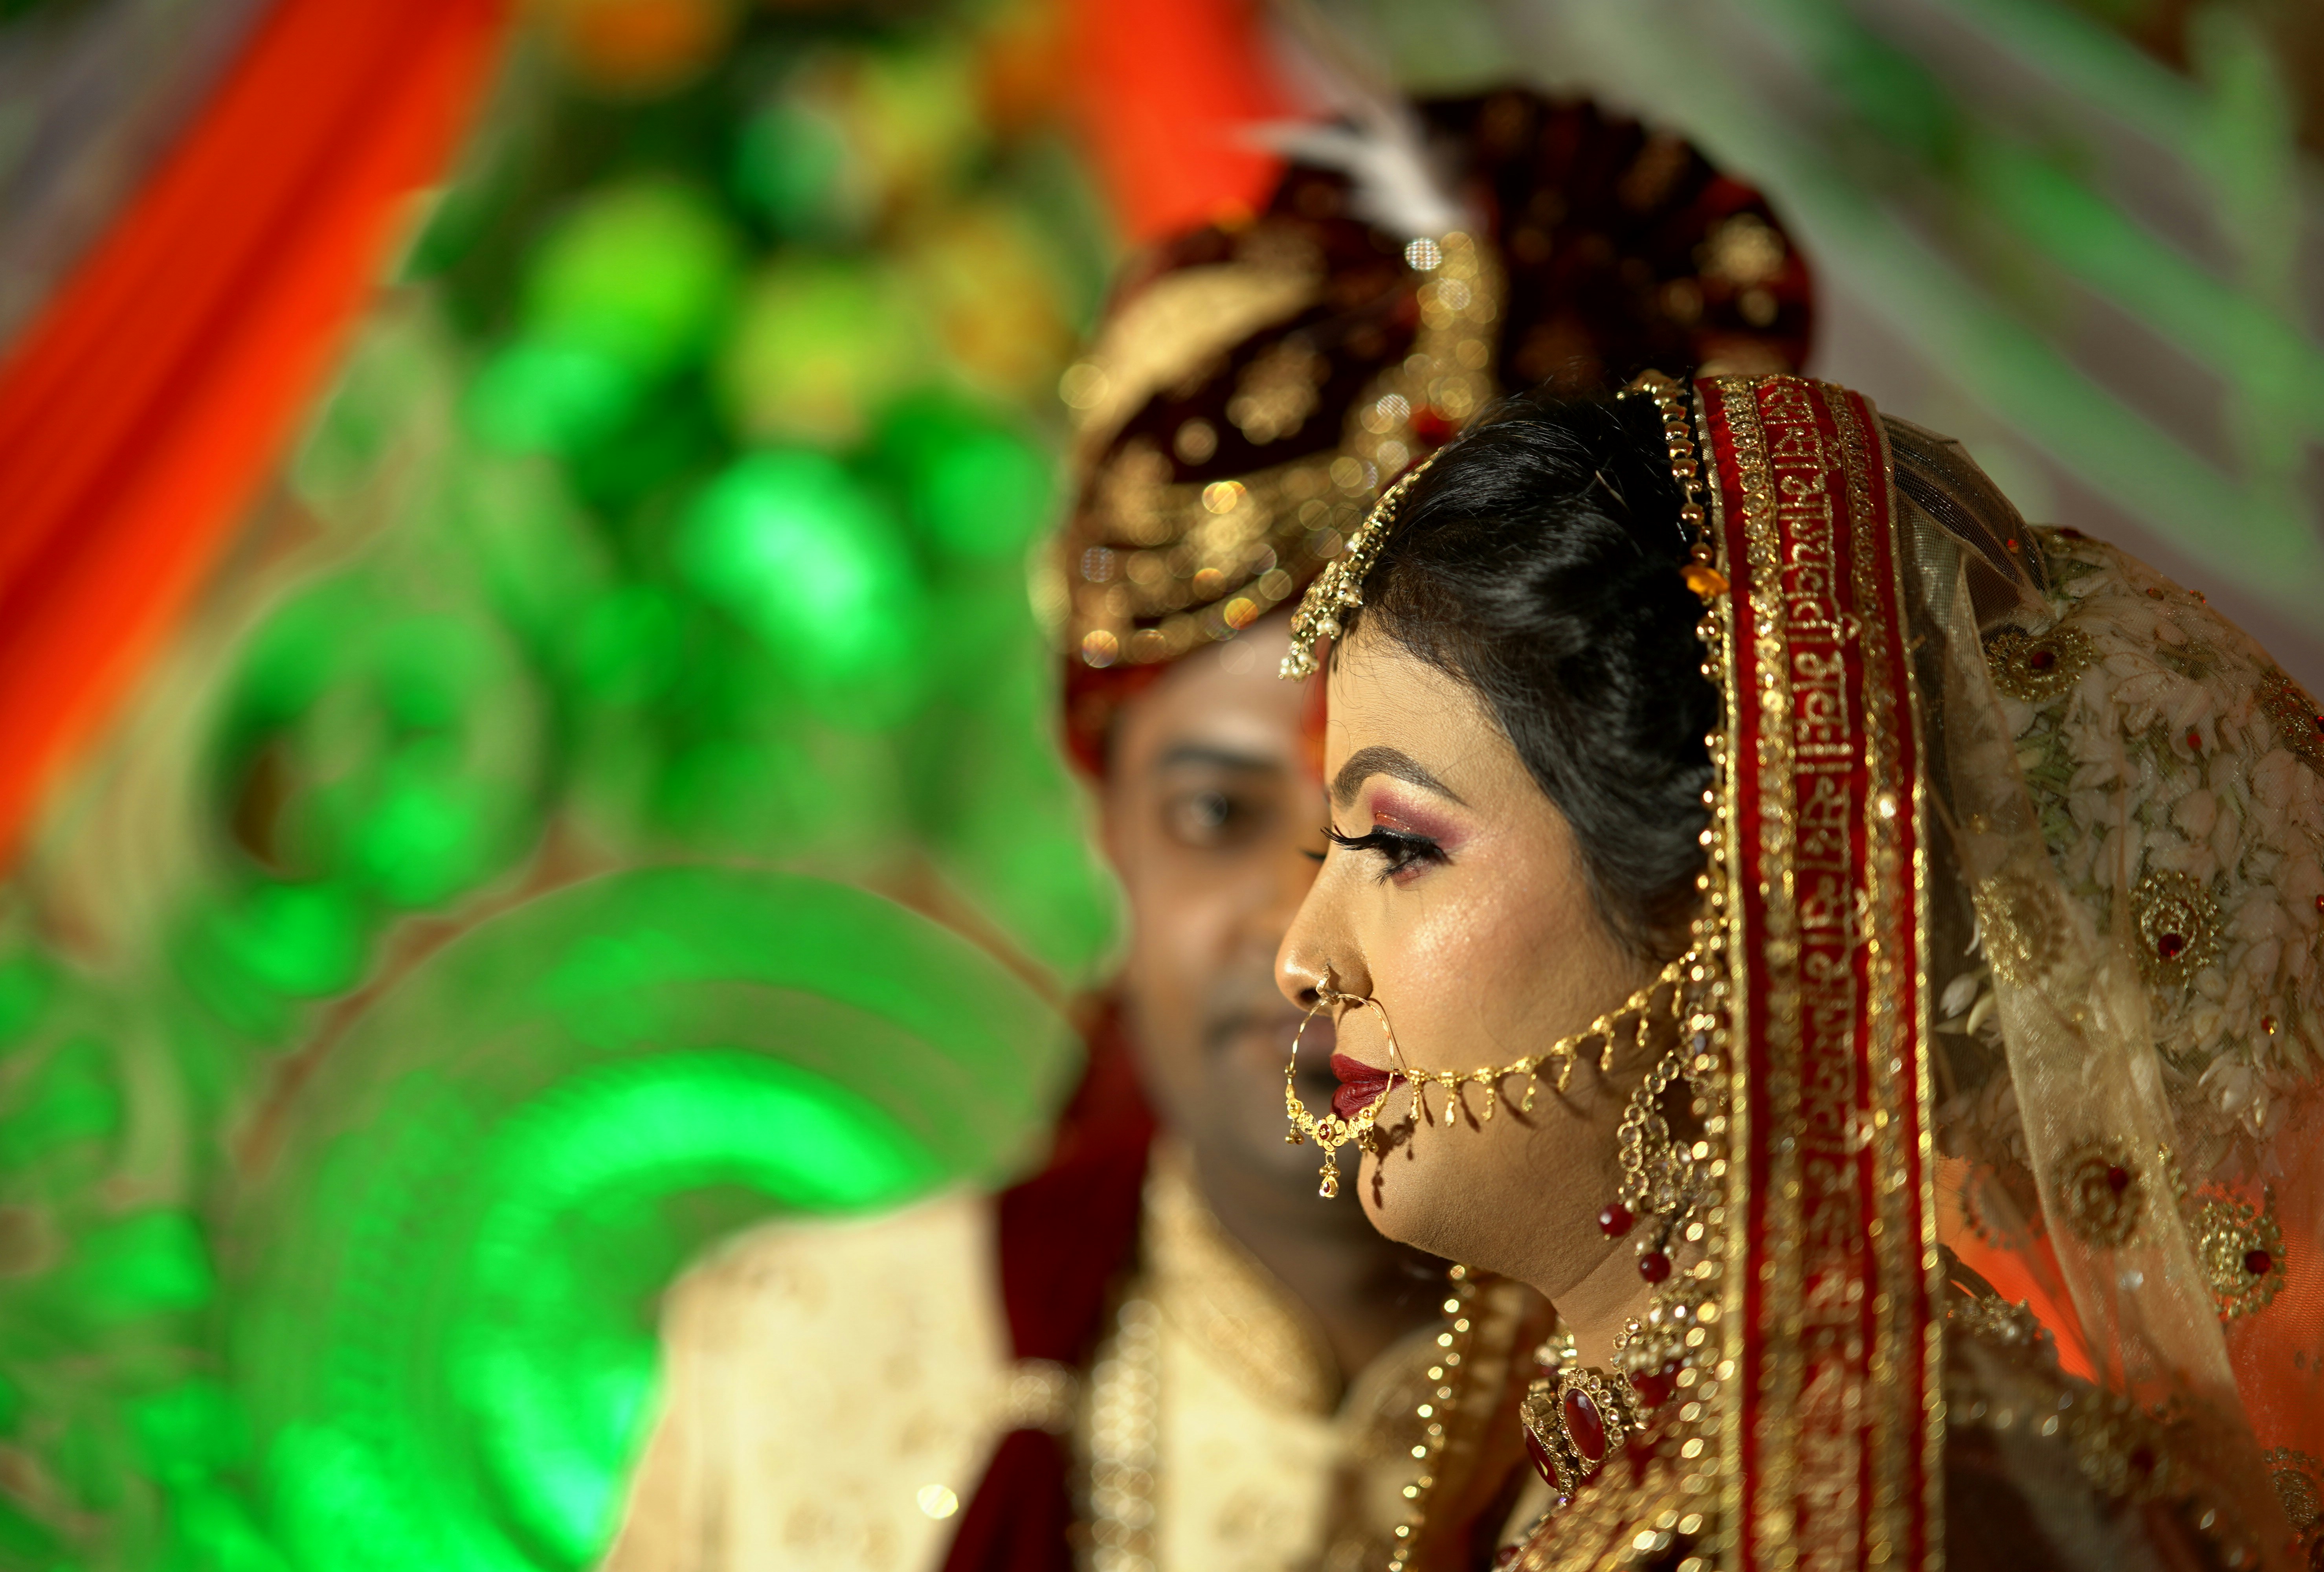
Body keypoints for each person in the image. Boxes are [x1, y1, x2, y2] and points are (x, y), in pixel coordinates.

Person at [604, 95, 1814, 1572]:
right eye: (1217, 814)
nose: (1301, 931)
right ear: (1102, 824)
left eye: (1410, 836)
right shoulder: (801, 1380)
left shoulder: (1784, 1469)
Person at [1273, 375, 2324, 1570]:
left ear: (1734, 898)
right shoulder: (1595, 1485)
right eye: (1330, 851)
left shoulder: (1922, 1512)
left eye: (1401, 847)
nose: (1301, 962)